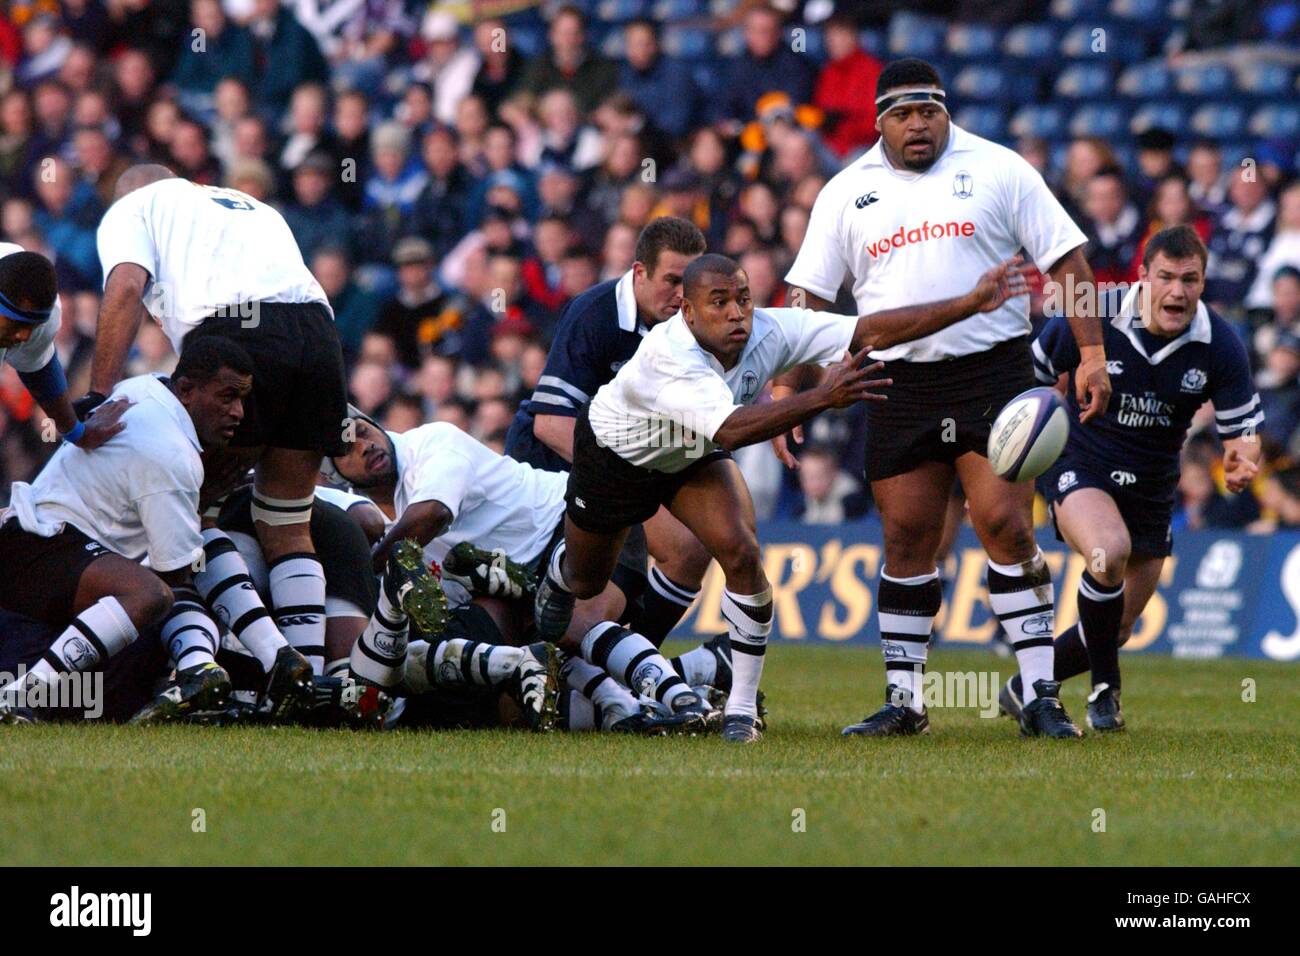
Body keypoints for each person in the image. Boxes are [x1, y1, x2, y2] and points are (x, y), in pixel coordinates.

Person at [533, 251, 1031, 742]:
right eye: (719, 302)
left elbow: (870, 331)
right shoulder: (670, 356)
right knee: (584, 578)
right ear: (687, 311)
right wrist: (820, 397)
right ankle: (560, 573)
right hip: (618, 456)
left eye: (743, 299)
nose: (736, 313)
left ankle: (742, 710)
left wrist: (970, 302)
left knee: (743, 554)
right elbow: (731, 430)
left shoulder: (770, 330)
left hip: (690, 453)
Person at [780, 58, 1111, 739]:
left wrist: (1095, 352)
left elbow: (1067, 260)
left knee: (1005, 525)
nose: (918, 125)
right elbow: (806, 297)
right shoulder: (844, 192)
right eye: (902, 115)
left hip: (994, 373)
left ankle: (1041, 693)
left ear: (946, 111)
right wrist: (787, 387)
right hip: (897, 380)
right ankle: (906, 701)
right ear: (879, 122)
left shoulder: (1000, 168)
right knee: (905, 536)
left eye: (929, 111)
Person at [88, 163, 344, 680]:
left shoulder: (134, 206)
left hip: (236, 338)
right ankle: (308, 678)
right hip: (320, 336)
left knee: (184, 514)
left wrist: (97, 396)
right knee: (288, 523)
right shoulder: (247, 204)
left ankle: (203, 665)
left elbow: (126, 286)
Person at [1008, 226, 1263, 731]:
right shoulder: (1095, 311)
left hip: (1153, 485)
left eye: (1190, 280)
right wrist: (1021, 444)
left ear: (1204, 282)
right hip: (1083, 460)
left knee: (1117, 625)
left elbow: (1244, 428)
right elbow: (1028, 375)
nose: (1178, 291)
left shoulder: (1220, 342)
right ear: (1142, 276)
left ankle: (1027, 687)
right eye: (1166, 277)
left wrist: (1242, 459)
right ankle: (1106, 692)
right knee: (1108, 551)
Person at [0, 338, 308, 722]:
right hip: (38, 547)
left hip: (44, 545)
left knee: (197, 551)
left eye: (242, 399)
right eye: (228, 396)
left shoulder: (146, 386)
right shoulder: (172, 453)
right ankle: (24, 694)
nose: (238, 412)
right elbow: (172, 576)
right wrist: (203, 500)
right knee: (150, 593)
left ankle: (269, 657)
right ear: (187, 390)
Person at [504, 217, 712, 646]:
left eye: (689, 284)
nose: (680, 295)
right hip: (551, 465)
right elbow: (551, 424)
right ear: (639, 272)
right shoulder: (595, 314)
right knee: (590, 595)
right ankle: (605, 672)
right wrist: (628, 482)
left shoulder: (689, 328)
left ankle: (637, 662)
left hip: (629, 463)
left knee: (689, 552)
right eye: (671, 281)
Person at [0, 244, 125, 451]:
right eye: (18, 323)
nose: (24, 335)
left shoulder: (44, 317)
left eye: (32, 326)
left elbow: (38, 369)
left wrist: (77, 433)